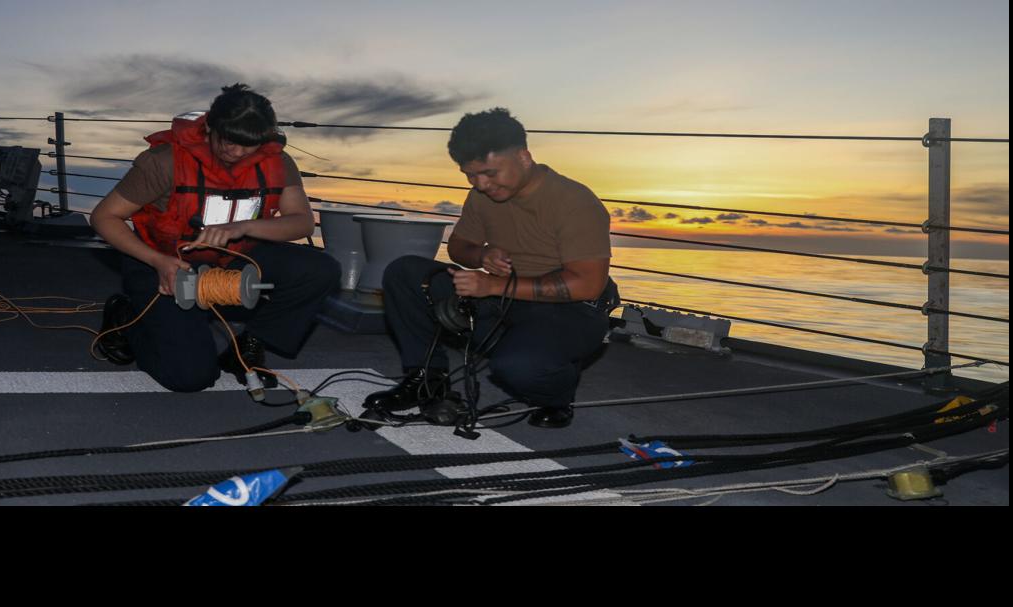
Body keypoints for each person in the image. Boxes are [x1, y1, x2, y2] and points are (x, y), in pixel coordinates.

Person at [368, 107, 617, 428]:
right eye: (470, 175)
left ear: (524, 157)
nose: (481, 184)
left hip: (570, 309)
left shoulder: (575, 202)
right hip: (501, 300)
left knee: (518, 367)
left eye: (489, 173)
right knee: (406, 273)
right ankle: (426, 380)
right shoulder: (482, 195)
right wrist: (482, 255)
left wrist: (493, 285)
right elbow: (458, 247)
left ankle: (557, 393)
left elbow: (587, 284)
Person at [90, 83, 339, 393]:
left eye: (249, 146)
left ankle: (247, 346)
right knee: (191, 378)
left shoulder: (279, 162)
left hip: (234, 259)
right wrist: (157, 261)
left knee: (320, 269)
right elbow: (104, 216)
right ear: (209, 126)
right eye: (229, 141)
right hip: (165, 263)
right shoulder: (164, 161)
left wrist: (242, 227)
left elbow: (301, 221)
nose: (237, 152)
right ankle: (129, 320)